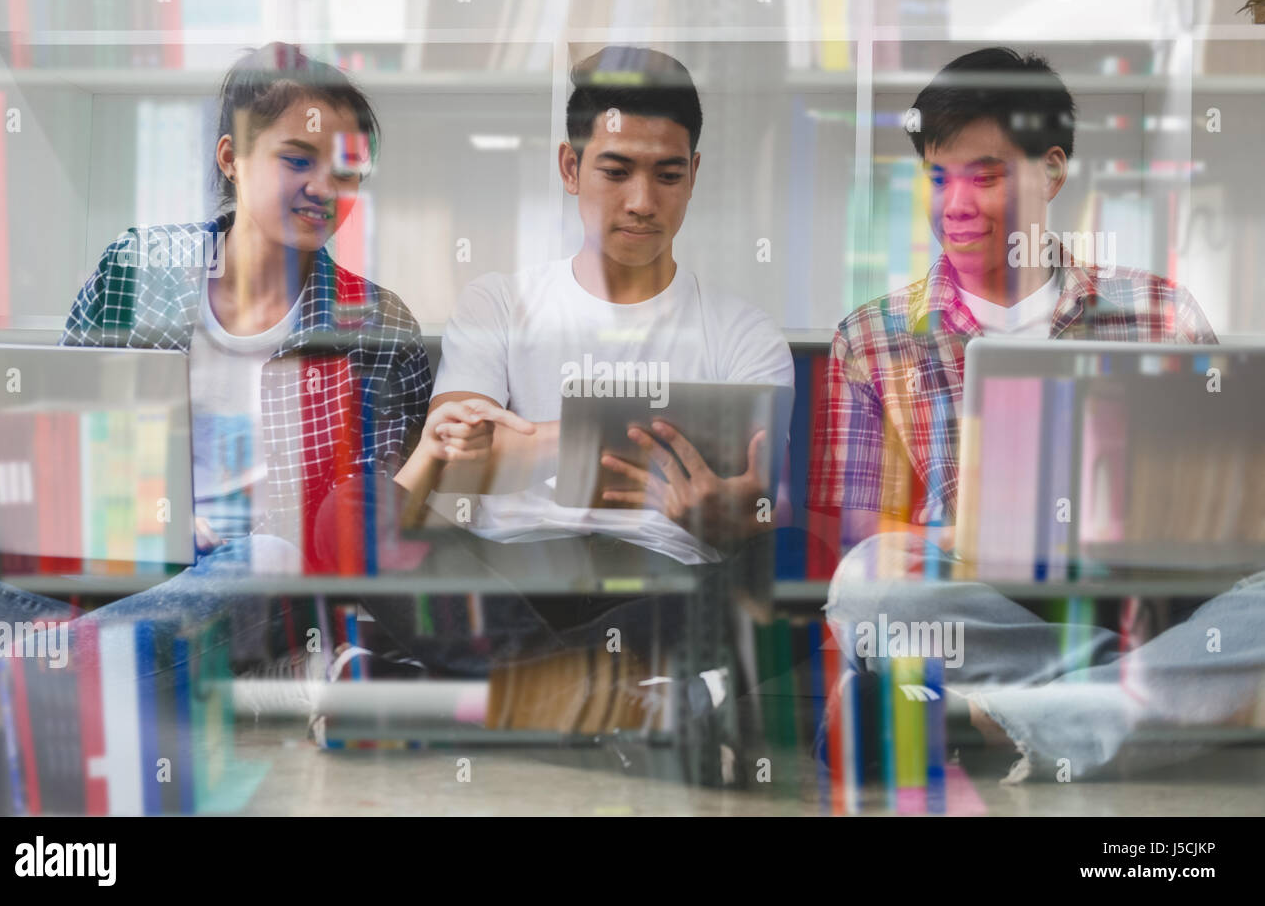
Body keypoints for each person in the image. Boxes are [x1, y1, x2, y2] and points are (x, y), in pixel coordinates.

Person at [809, 47, 1261, 781]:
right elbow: (849, 540)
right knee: (865, 586)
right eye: (936, 176)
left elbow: (1234, 514)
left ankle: (989, 715)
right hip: (988, 608)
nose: (954, 205)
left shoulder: (1159, 311)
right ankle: (1165, 693)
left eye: (983, 176)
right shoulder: (871, 338)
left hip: (1155, 599)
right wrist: (963, 533)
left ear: (1051, 170)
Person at [0, 42, 432, 677]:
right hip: (118, 568)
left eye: (346, 172)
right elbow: (60, 455)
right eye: (298, 159)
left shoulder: (377, 326)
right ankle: (85, 669)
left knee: (269, 560)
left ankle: (34, 675)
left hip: (255, 592)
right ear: (232, 159)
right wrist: (157, 522)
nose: (324, 189)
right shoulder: (137, 273)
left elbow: (360, 532)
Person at [396, 45, 794, 567]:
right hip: (515, 570)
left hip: (662, 575)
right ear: (570, 167)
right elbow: (457, 463)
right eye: (616, 171)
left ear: (693, 175)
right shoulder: (496, 304)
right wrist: (631, 434)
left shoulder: (746, 335)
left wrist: (731, 514)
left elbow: (764, 502)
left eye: (668, 176)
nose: (642, 202)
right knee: (379, 529)